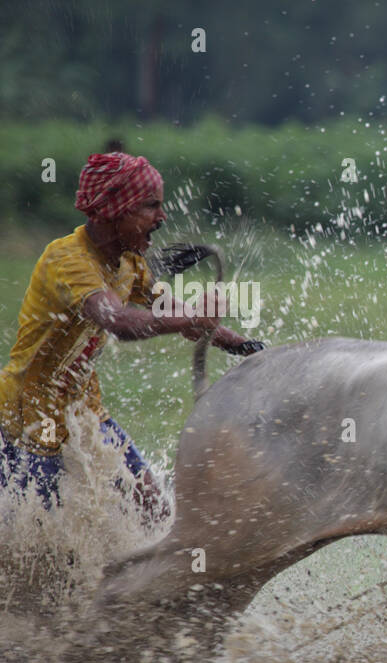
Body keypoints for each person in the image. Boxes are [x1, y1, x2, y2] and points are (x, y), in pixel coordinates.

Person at [0, 152, 256, 522]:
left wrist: (246, 348)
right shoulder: (68, 260)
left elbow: (174, 312)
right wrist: (191, 316)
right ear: (115, 209)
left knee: (155, 510)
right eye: (150, 206)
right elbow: (116, 319)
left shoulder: (128, 263)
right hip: (27, 417)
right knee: (42, 536)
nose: (162, 217)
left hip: (84, 411)